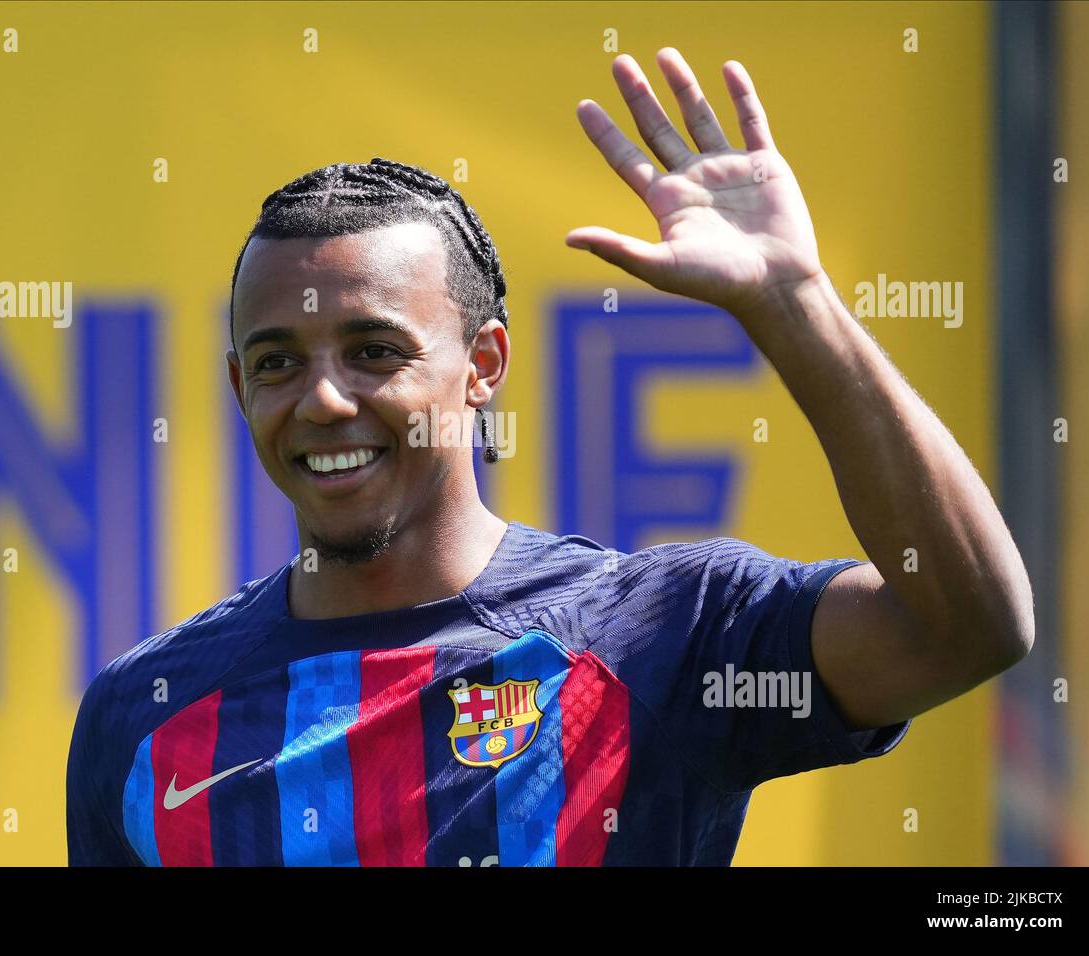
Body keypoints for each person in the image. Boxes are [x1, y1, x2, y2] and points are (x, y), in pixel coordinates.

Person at [67, 47, 1033, 866]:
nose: (323, 399)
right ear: (241, 391)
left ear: (482, 365)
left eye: (374, 352)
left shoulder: (663, 636)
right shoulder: (142, 714)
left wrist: (794, 302)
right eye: (279, 363)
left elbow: (968, 625)